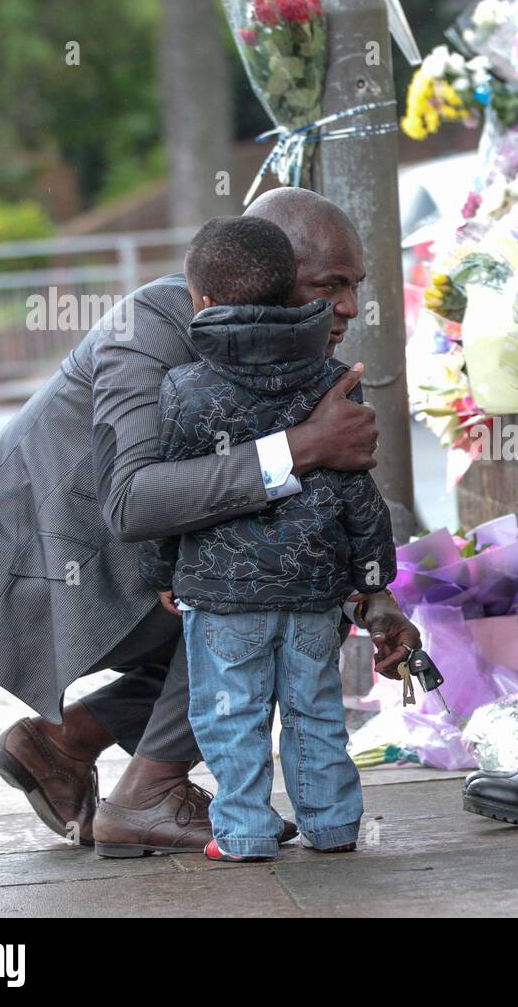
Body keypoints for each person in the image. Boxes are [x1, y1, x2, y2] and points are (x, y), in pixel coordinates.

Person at [0, 189, 420, 856]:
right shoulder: (149, 327)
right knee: (269, 583)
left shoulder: (301, 352)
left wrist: (372, 596)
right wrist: (304, 446)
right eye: (330, 285)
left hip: (135, 562)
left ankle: (65, 742)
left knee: (291, 577)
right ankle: (149, 793)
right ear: (268, 274)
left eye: (354, 287)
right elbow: (133, 499)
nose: (348, 306)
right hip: (30, 571)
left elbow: (325, 503)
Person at [131, 215, 396, 861]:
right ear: (289, 294)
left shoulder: (186, 390)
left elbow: (172, 497)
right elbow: (361, 495)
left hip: (223, 599)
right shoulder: (330, 382)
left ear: (203, 302)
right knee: (315, 713)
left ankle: (245, 832)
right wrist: (373, 584)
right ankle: (332, 825)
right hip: (311, 596)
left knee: (231, 718)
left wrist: (161, 571)